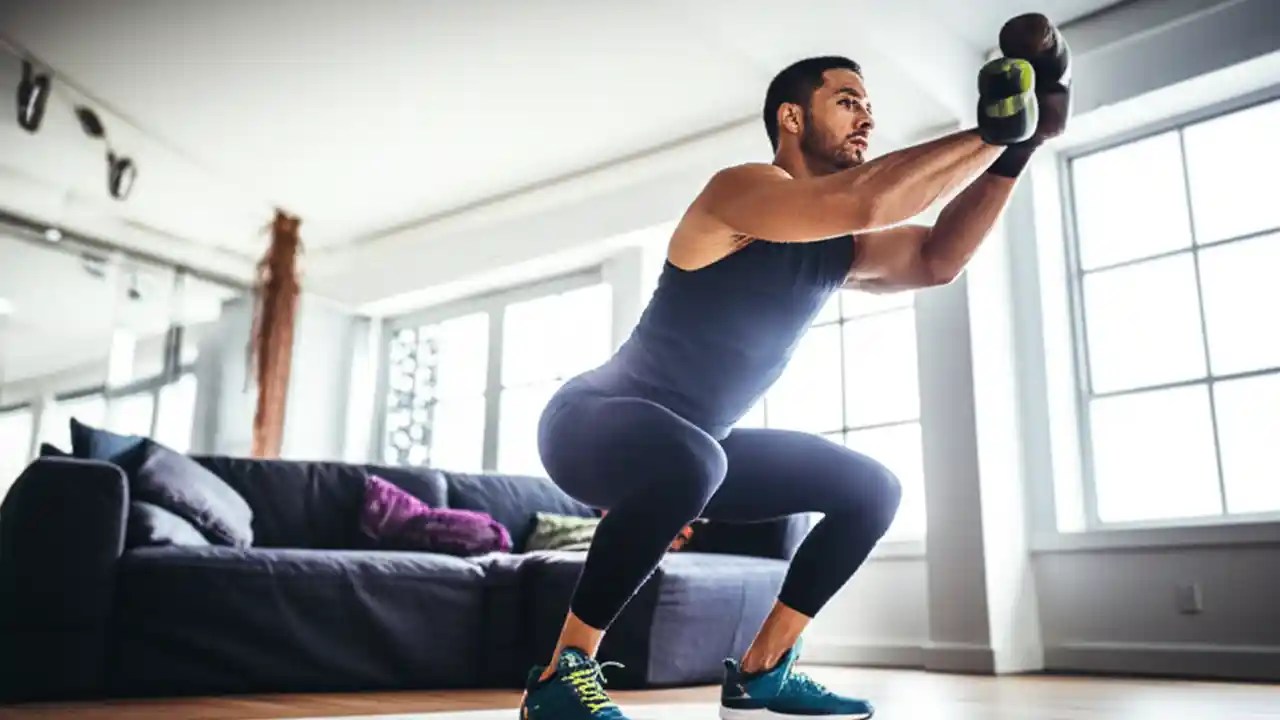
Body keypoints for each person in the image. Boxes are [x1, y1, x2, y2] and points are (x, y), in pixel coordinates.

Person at [520, 14, 1072, 720]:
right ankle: (563, 674)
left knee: (870, 490)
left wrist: (1015, 154)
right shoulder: (740, 191)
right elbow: (868, 198)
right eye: (848, 102)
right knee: (695, 462)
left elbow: (938, 259)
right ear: (790, 116)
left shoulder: (836, 249)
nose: (866, 120)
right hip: (589, 423)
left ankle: (763, 670)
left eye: (870, 109)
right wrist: (996, 129)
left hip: (697, 448)